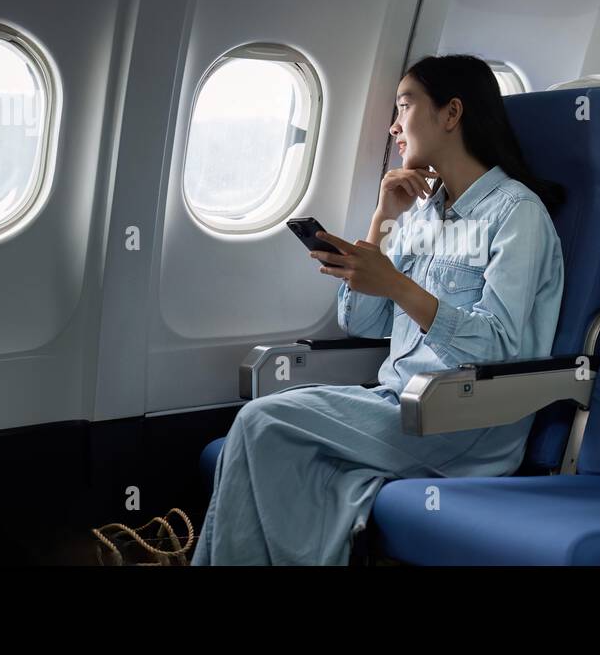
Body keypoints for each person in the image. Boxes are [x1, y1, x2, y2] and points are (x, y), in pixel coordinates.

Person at [191, 54, 565, 565]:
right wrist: (383, 220)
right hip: (399, 401)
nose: (393, 125)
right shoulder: (422, 213)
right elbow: (360, 322)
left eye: (405, 105)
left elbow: (501, 348)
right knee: (284, 451)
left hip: (461, 418)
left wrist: (398, 286)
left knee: (261, 422)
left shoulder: (517, 214)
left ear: (451, 114)